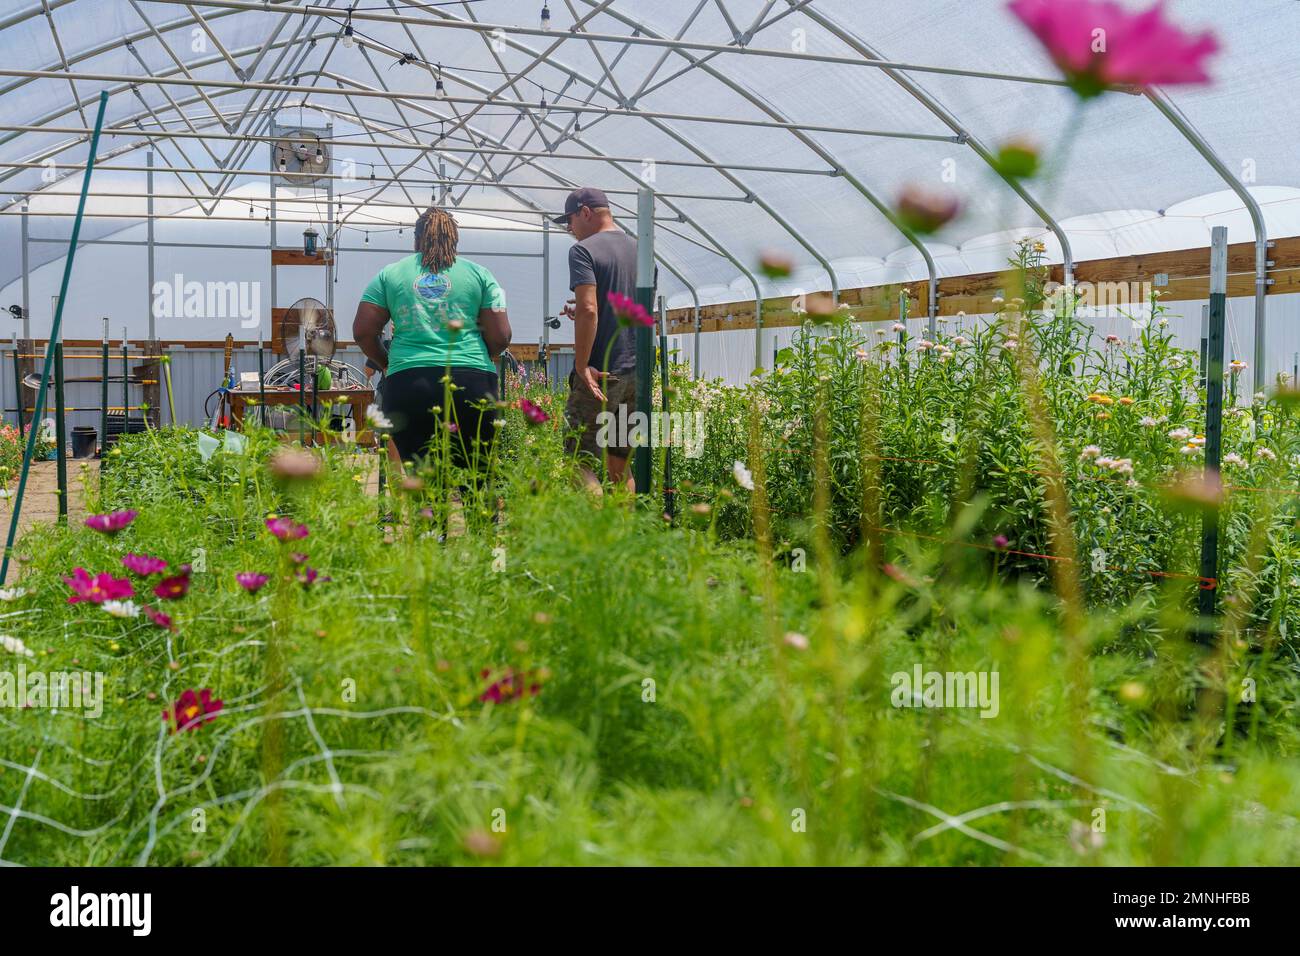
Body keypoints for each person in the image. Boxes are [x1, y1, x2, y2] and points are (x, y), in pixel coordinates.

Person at [353, 207, 511, 472]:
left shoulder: (390, 274)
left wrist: (386, 363)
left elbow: (362, 331)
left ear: (416, 240)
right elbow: (502, 335)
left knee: (424, 484)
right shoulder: (482, 275)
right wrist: (484, 355)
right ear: (455, 239)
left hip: (409, 385)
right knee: (477, 480)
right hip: (472, 382)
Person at [553, 187, 639, 492]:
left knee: (579, 460)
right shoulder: (641, 250)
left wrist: (581, 365)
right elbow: (632, 309)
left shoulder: (583, 250)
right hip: (635, 376)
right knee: (620, 463)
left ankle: (595, 538)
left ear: (585, 212)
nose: (570, 229)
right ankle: (623, 536)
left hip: (602, 375)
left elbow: (589, 309)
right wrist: (590, 310)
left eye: (570, 221)